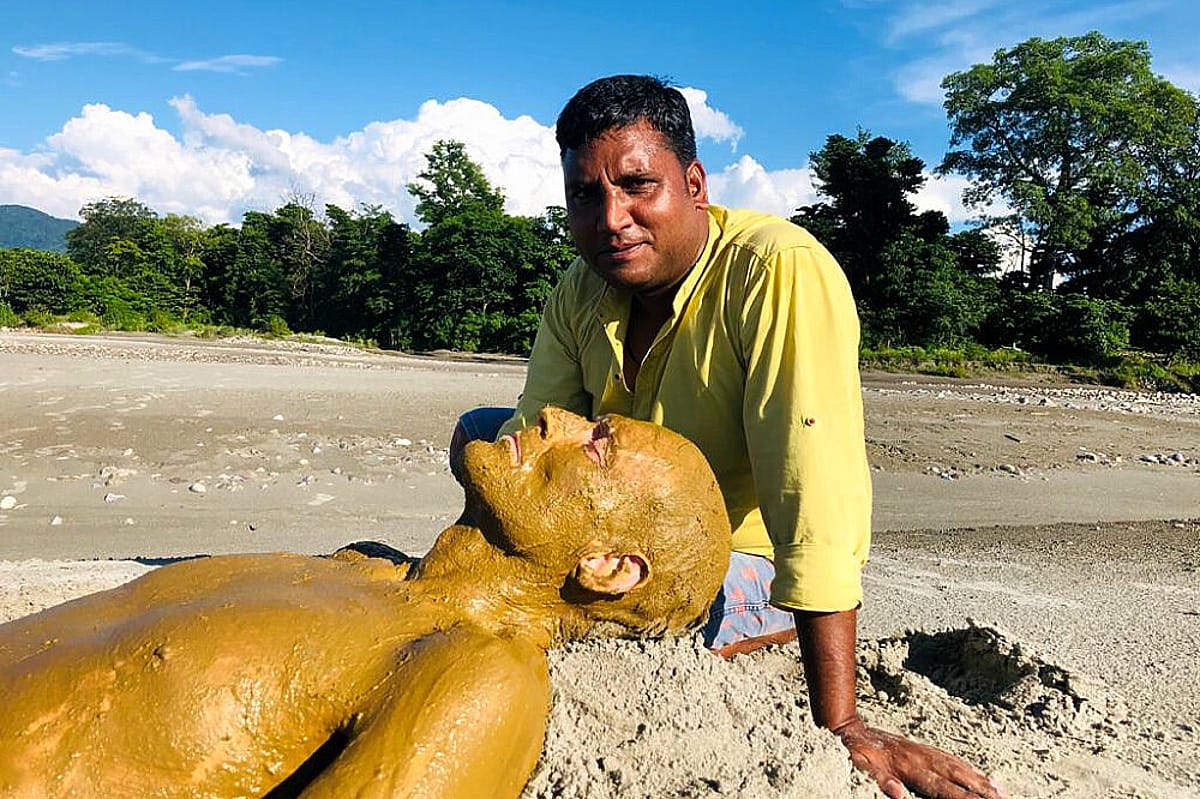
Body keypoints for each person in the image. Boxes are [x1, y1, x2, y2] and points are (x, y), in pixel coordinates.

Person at [451, 75, 1009, 799]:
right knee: (480, 434)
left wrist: (841, 723)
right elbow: (536, 434)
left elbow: (808, 482)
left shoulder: (776, 270)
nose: (612, 217)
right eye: (588, 196)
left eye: (636, 185)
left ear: (694, 184)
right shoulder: (580, 289)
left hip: (736, 546)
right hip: (622, 513)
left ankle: (766, 618)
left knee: (661, 602)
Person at [0, 409, 731, 799]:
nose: (554, 414)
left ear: (606, 567)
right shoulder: (364, 564)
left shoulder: (484, 673)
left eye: (598, 444)